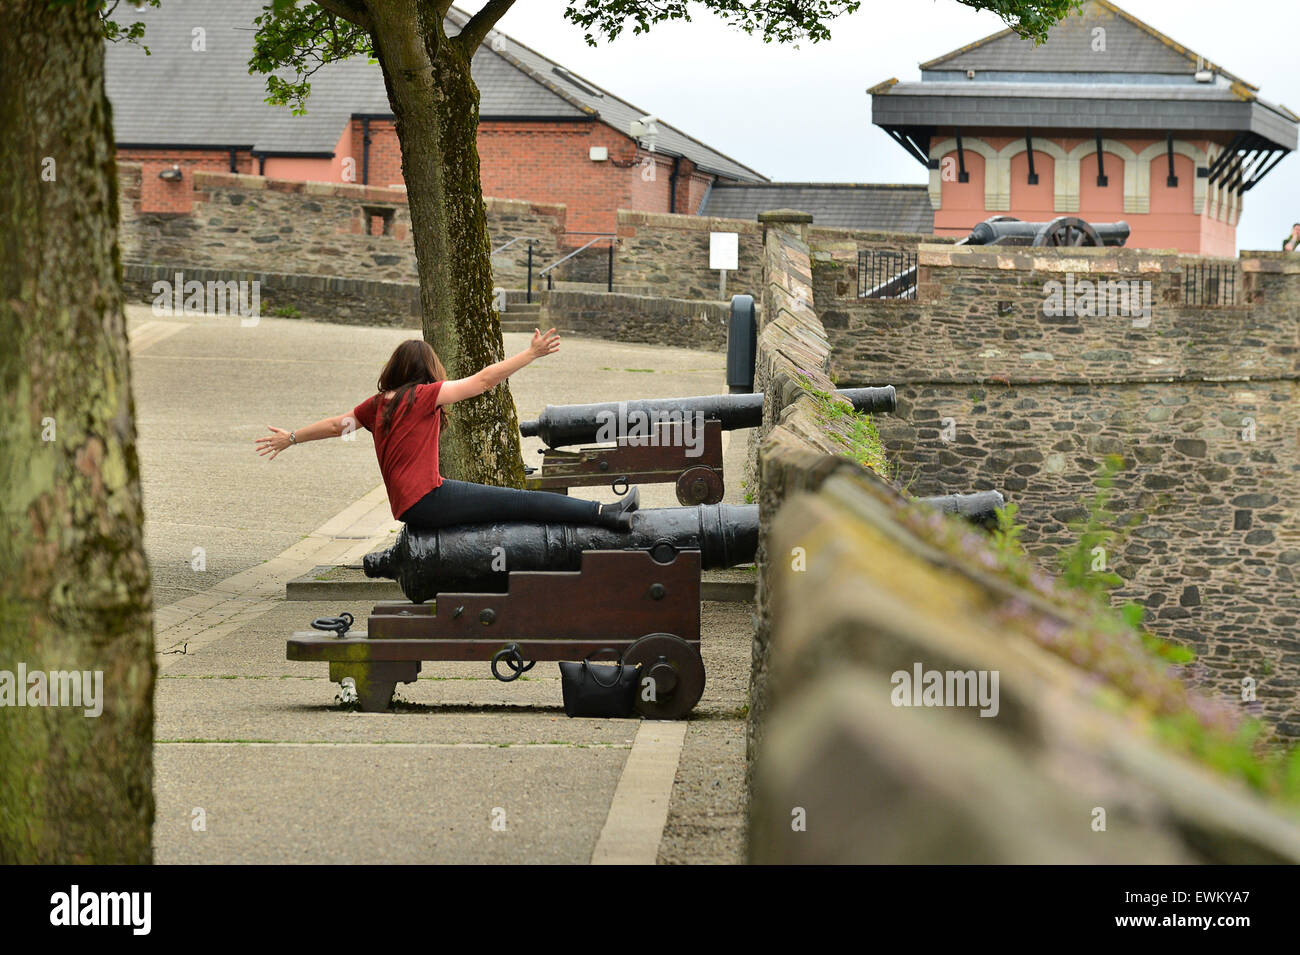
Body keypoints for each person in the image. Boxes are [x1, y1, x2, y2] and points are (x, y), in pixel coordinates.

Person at [254, 330, 640, 531]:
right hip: (427, 499)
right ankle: (605, 513)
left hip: (411, 505)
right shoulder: (423, 396)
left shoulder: (378, 405)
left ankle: (604, 513)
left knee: (511, 504)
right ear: (428, 370)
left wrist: (291, 437)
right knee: (520, 502)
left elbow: (337, 426)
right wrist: (531, 354)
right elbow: (485, 380)